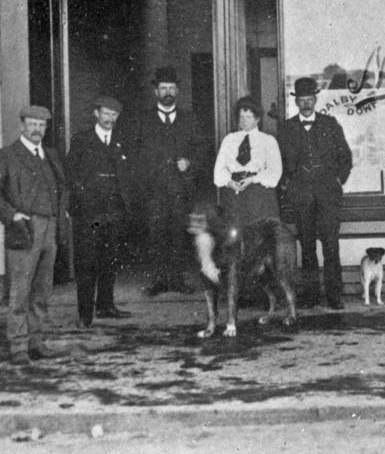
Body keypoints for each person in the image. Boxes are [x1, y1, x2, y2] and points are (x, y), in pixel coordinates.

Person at [0, 104, 68, 360]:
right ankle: (18, 346)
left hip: (50, 228)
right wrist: (11, 215)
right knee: (20, 292)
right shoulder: (6, 156)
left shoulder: (50, 155)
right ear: (22, 126)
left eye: (41, 125)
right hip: (25, 229)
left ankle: (36, 343)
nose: (37, 129)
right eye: (32, 124)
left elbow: (62, 189)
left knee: (42, 291)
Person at [278, 75, 353, 309]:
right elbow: (279, 161)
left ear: (315, 99)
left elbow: (346, 158)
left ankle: (334, 295)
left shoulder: (330, 125)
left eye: (310, 99)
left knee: (331, 244)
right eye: (302, 100)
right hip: (301, 195)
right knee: (307, 245)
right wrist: (288, 184)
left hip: (328, 194)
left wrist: (338, 180)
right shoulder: (287, 128)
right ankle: (310, 295)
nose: (306, 104)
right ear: (296, 102)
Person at [135, 65, 207, 296]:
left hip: (180, 188)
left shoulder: (189, 119)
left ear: (177, 91)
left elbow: (202, 148)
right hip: (153, 189)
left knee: (179, 234)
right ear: (156, 91)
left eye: (171, 88)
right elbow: (133, 153)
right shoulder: (143, 120)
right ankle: (158, 280)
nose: (167, 92)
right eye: (163, 88)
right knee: (156, 235)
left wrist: (190, 162)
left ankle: (178, 280)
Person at [66, 94, 136, 327]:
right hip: (89, 214)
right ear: (96, 114)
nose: (110, 118)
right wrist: (83, 199)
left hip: (114, 212)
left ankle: (106, 306)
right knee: (87, 262)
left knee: (110, 260)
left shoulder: (121, 140)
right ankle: (85, 314)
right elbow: (71, 174)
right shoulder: (81, 140)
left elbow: (128, 175)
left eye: (114, 114)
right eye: (106, 113)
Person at [213, 96, 283, 228]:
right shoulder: (229, 139)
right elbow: (219, 169)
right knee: (233, 238)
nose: (244, 121)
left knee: (258, 238)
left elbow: (275, 172)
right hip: (234, 194)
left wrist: (253, 179)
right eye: (241, 117)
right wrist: (228, 182)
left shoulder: (268, 141)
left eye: (248, 117)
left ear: (257, 119)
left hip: (259, 195)